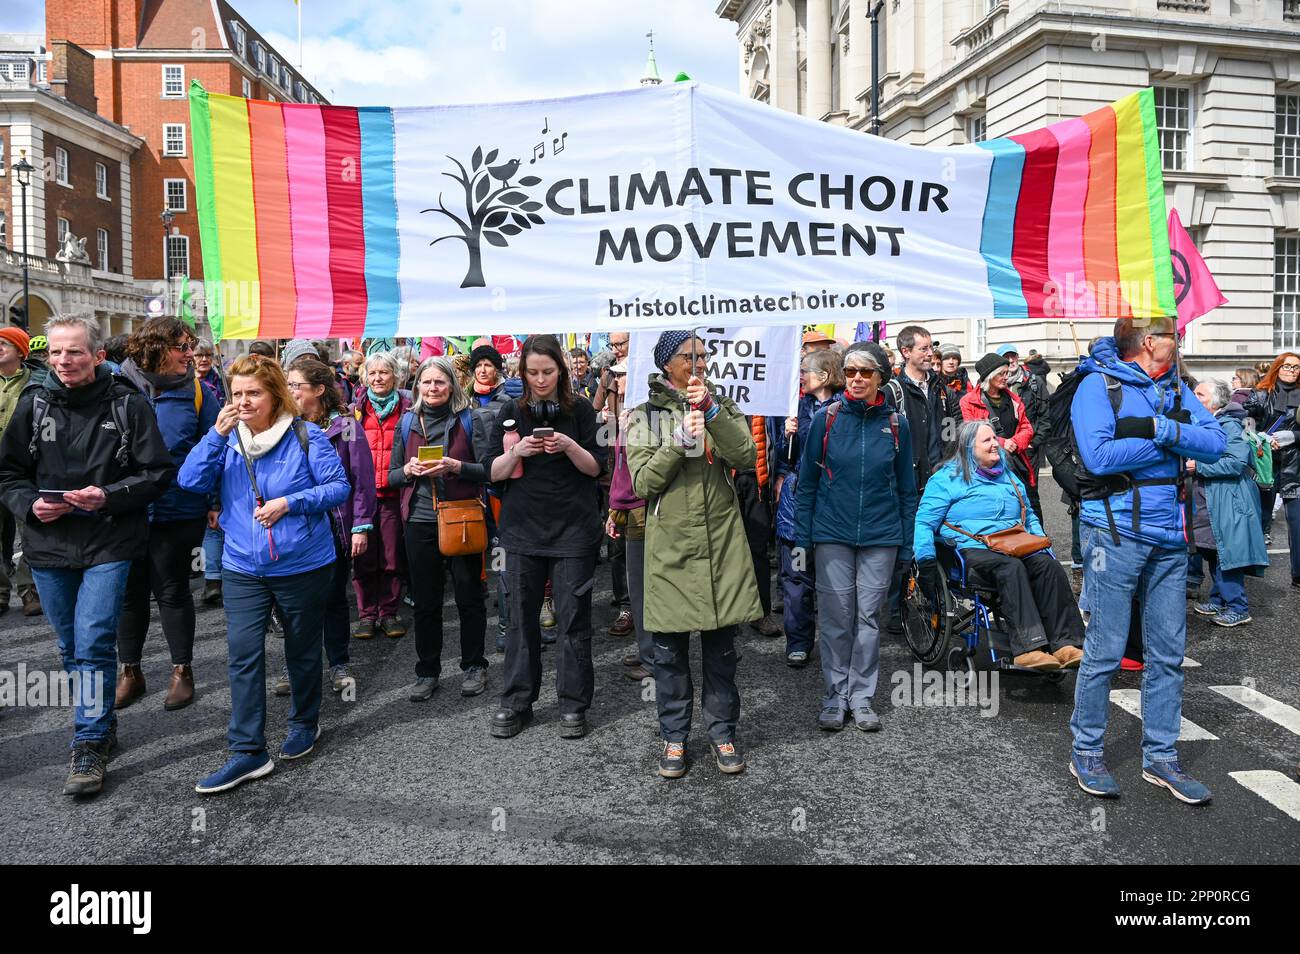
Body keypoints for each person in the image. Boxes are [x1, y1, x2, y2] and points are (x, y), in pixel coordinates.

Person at [0, 314, 174, 797]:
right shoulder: (33, 404)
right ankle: (98, 719)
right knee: (70, 646)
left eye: (74, 351)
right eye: (55, 352)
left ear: (97, 356)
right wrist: (29, 506)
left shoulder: (127, 404)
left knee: (94, 638)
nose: (63, 361)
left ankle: (90, 739)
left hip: (109, 540)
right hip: (48, 544)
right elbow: (8, 474)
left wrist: (109, 496)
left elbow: (157, 473)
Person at [1068, 317, 1226, 805]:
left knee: (1167, 654)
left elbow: (1217, 444)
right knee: (1107, 649)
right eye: (1174, 337)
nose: (1179, 344)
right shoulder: (1098, 384)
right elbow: (1098, 457)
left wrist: (1158, 427)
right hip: (1112, 531)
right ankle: (1087, 751)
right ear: (1150, 342)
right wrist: (1173, 440)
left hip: (1170, 535)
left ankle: (1161, 757)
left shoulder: (1178, 388)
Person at [179, 354, 350, 794]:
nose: (244, 401)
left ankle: (304, 722)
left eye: (253, 392)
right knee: (243, 654)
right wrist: (214, 437)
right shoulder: (227, 438)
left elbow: (338, 488)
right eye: (236, 393)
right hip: (241, 565)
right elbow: (190, 482)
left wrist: (290, 503)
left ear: (275, 394)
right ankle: (247, 751)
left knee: (302, 649)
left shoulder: (305, 434)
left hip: (303, 562)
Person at [627, 331, 761, 778]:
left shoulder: (720, 404)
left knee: (722, 651)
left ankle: (723, 731)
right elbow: (644, 483)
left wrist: (710, 413)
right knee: (669, 655)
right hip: (671, 551)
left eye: (704, 355)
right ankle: (674, 737)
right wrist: (677, 440)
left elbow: (744, 454)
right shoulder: (644, 416)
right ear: (667, 364)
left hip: (721, 545)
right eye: (690, 356)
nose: (700, 363)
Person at [483, 335, 603, 739]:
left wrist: (568, 445)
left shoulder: (582, 410)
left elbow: (595, 469)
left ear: (562, 371)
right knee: (519, 621)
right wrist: (517, 453)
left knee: (572, 621)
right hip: (521, 531)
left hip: (573, 531)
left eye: (547, 372)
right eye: (532, 373)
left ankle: (573, 704)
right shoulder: (509, 410)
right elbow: (492, 473)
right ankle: (517, 701)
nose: (539, 380)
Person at [794, 347, 917, 732]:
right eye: (850, 371)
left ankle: (861, 697)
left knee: (867, 619)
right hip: (832, 533)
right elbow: (807, 485)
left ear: (882, 376)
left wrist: (908, 543)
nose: (857, 378)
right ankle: (835, 695)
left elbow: (907, 490)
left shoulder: (897, 424)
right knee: (835, 618)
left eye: (866, 371)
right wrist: (802, 540)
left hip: (881, 535)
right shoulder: (826, 419)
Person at [914, 420, 1084, 671]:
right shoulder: (946, 479)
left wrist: (1042, 544)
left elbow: (1029, 516)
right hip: (971, 549)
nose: (995, 444)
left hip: (1014, 543)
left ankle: (1066, 643)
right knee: (1010, 568)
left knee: (1049, 567)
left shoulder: (1008, 475)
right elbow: (924, 522)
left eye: (995, 438)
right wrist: (926, 560)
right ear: (968, 447)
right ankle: (1029, 648)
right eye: (987, 440)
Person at [114, 317, 219, 712]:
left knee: (173, 589)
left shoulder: (198, 391)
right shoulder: (116, 388)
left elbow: (215, 447)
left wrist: (214, 501)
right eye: (182, 346)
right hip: (128, 507)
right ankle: (130, 673)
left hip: (179, 506)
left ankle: (181, 671)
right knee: (130, 593)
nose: (191, 354)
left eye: (191, 346)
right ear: (155, 348)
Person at [390, 356, 491, 701]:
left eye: (440, 382)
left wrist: (456, 466)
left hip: (462, 516)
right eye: (426, 382)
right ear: (417, 386)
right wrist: (409, 470)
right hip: (419, 521)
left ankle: (474, 664)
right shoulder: (406, 423)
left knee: (469, 596)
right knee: (426, 601)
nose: (433, 388)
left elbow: (489, 470)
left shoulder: (470, 419)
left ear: (452, 386)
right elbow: (391, 476)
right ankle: (427, 670)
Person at [286, 360, 374, 693]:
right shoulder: (283, 426)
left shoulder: (346, 426)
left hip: (335, 528)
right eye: (289, 385)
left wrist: (360, 526)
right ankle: (295, 664)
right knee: (295, 602)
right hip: (294, 529)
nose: (291, 391)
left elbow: (361, 478)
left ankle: (338, 664)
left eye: (298, 385)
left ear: (319, 389)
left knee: (333, 598)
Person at [775, 348, 844, 667]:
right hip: (797, 505)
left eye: (806, 370)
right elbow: (783, 458)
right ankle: (798, 641)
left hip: (832, 506)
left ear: (825, 376)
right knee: (796, 575)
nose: (800, 375)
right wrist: (787, 436)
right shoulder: (794, 407)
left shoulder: (846, 408)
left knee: (834, 581)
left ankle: (836, 641)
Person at [1189, 379, 1268, 626]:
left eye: (1199, 394)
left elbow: (1236, 463)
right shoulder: (1206, 422)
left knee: (1227, 555)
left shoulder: (1229, 426)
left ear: (1214, 402)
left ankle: (1238, 607)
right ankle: (1219, 598)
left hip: (1227, 498)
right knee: (1213, 551)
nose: (1194, 396)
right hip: (1211, 498)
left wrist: (1198, 466)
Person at [353, 351, 412, 638]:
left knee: (390, 556)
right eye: (372, 373)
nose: (377, 378)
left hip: (393, 493)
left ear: (395, 376)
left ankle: (388, 612)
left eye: (384, 372)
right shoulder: (355, 409)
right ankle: (366, 614)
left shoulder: (409, 408)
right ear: (365, 377)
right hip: (361, 496)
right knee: (363, 556)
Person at [602, 361, 652, 681]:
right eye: (616, 374)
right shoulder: (623, 414)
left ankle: (655, 657)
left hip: (644, 511)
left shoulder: (646, 417)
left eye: (622, 375)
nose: (616, 380)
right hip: (628, 507)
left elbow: (638, 473)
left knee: (645, 587)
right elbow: (617, 466)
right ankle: (649, 651)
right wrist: (614, 508)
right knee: (637, 586)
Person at [961, 352, 1043, 524]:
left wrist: (1015, 442)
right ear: (989, 376)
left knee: (1029, 507)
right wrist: (1002, 443)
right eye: (1002, 373)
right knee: (999, 512)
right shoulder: (969, 401)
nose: (1006, 377)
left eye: (1007, 373)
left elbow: (1027, 427)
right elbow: (971, 432)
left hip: (1016, 462)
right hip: (987, 467)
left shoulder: (1013, 399)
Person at [0, 326, 48, 616]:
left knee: (28, 531)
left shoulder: (38, 383)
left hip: (23, 471)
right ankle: (0, 591)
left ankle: (29, 589)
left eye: (4, 343)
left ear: (21, 350)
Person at [1244, 352, 1300, 581]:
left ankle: (1298, 574)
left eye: (1296, 368)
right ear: (1277, 368)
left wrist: (1293, 436)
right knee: (1259, 518)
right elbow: (1242, 426)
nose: (1292, 371)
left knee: (1297, 523)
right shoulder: (1259, 395)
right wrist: (1260, 438)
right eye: (1287, 366)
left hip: (1295, 467)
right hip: (1263, 465)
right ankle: (1247, 568)